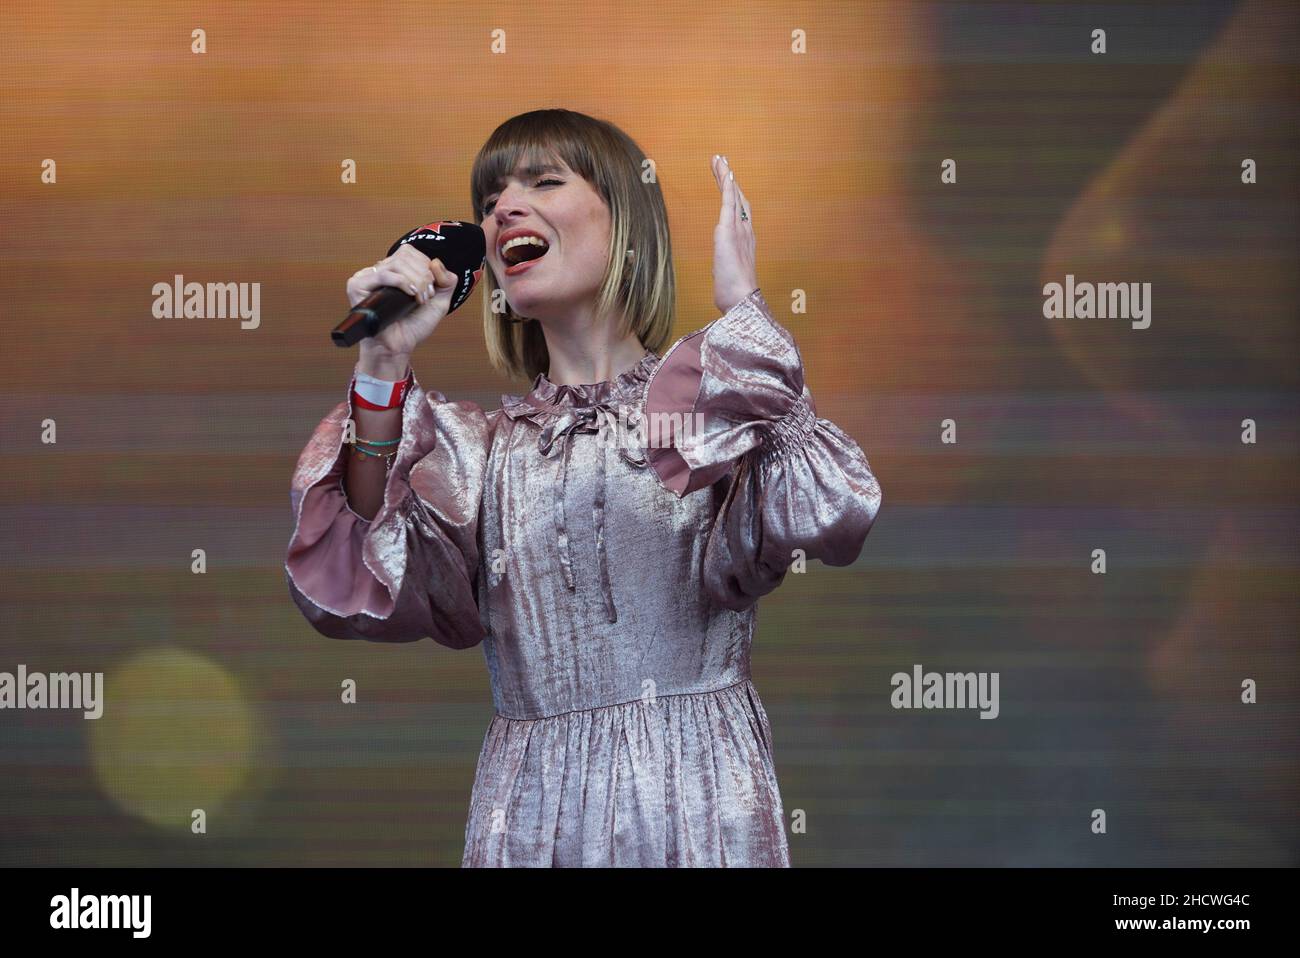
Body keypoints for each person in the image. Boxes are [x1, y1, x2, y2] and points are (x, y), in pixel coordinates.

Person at [284, 108, 882, 867]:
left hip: (695, 803)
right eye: (490, 198)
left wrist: (745, 315)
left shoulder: (705, 409)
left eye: (543, 181)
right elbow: (357, 566)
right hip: (533, 815)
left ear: (625, 219)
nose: (503, 208)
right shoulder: (480, 454)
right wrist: (380, 367)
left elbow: (835, 512)